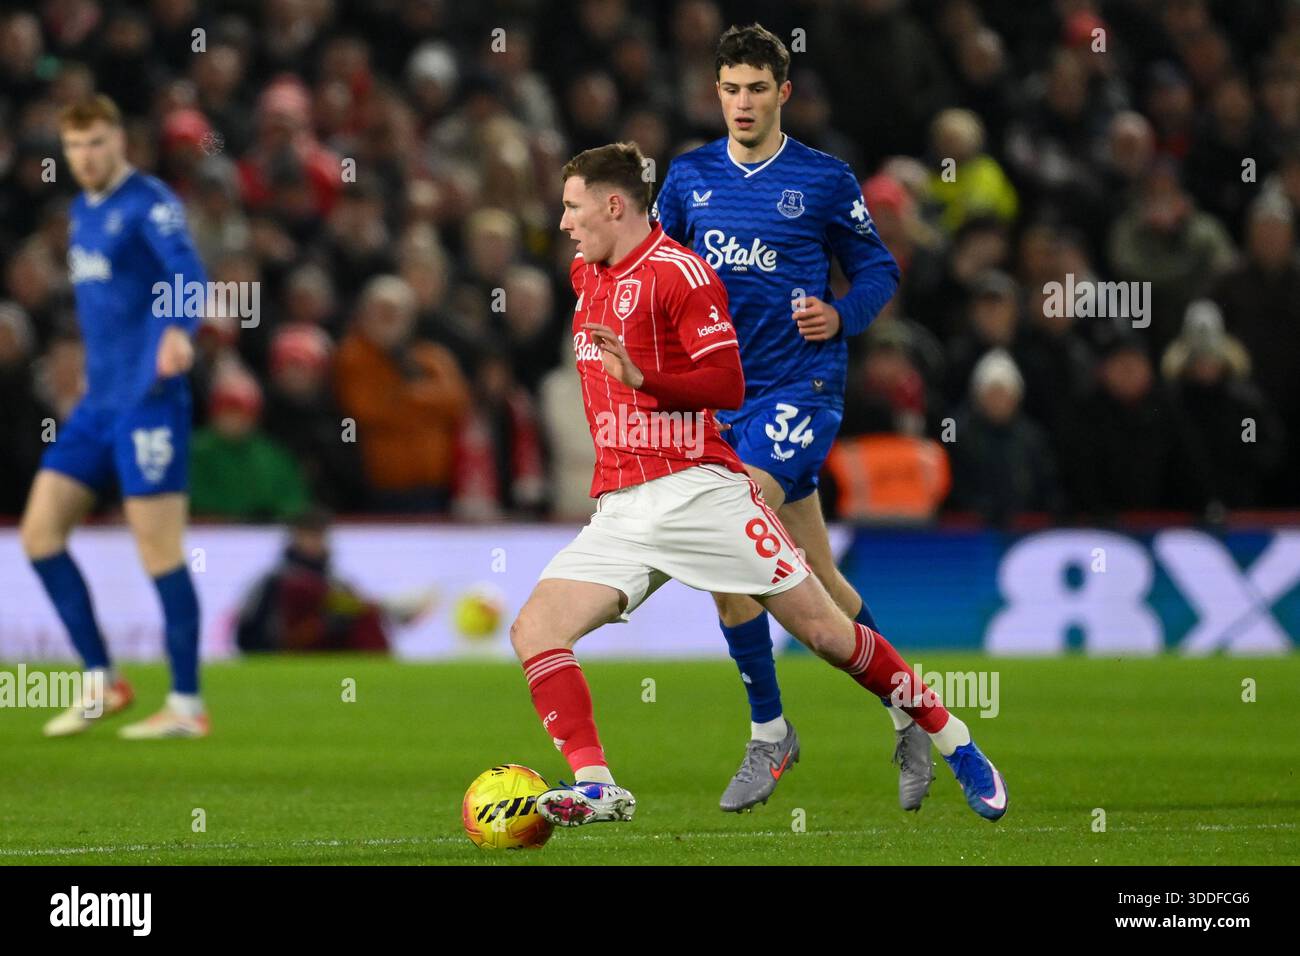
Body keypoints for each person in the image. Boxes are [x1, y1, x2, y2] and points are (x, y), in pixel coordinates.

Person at [512, 142, 1007, 828]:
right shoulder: (585, 274)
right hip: (622, 508)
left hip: (699, 493)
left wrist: (643, 380)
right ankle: (598, 786)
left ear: (613, 205)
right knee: (536, 630)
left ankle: (954, 738)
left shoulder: (683, 277)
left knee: (829, 633)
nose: (563, 222)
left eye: (572, 207)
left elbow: (727, 384)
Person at [652, 24, 929, 813]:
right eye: (730, 89)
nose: (743, 102)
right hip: (720, 401)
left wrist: (842, 317)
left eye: (756, 89)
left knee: (722, 525)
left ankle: (770, 732)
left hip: (800, 390)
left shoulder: (822, 179)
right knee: (819, 576)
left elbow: (878, 266)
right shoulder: (688, 178)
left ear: (784, 93)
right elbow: (662, 274)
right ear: (718, 93)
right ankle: (908, 707)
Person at [19, 95, 209, 738]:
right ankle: (101, 679)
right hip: (97, 406)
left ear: (120, 139)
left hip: (149, 401)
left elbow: (187, 270)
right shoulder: (81, 210)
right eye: (74, 146)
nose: (84, 157)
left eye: (96, 142)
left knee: (158, 549)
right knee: (40, 533)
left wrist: (178, 331)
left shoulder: (148, 202)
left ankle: (186, 704)